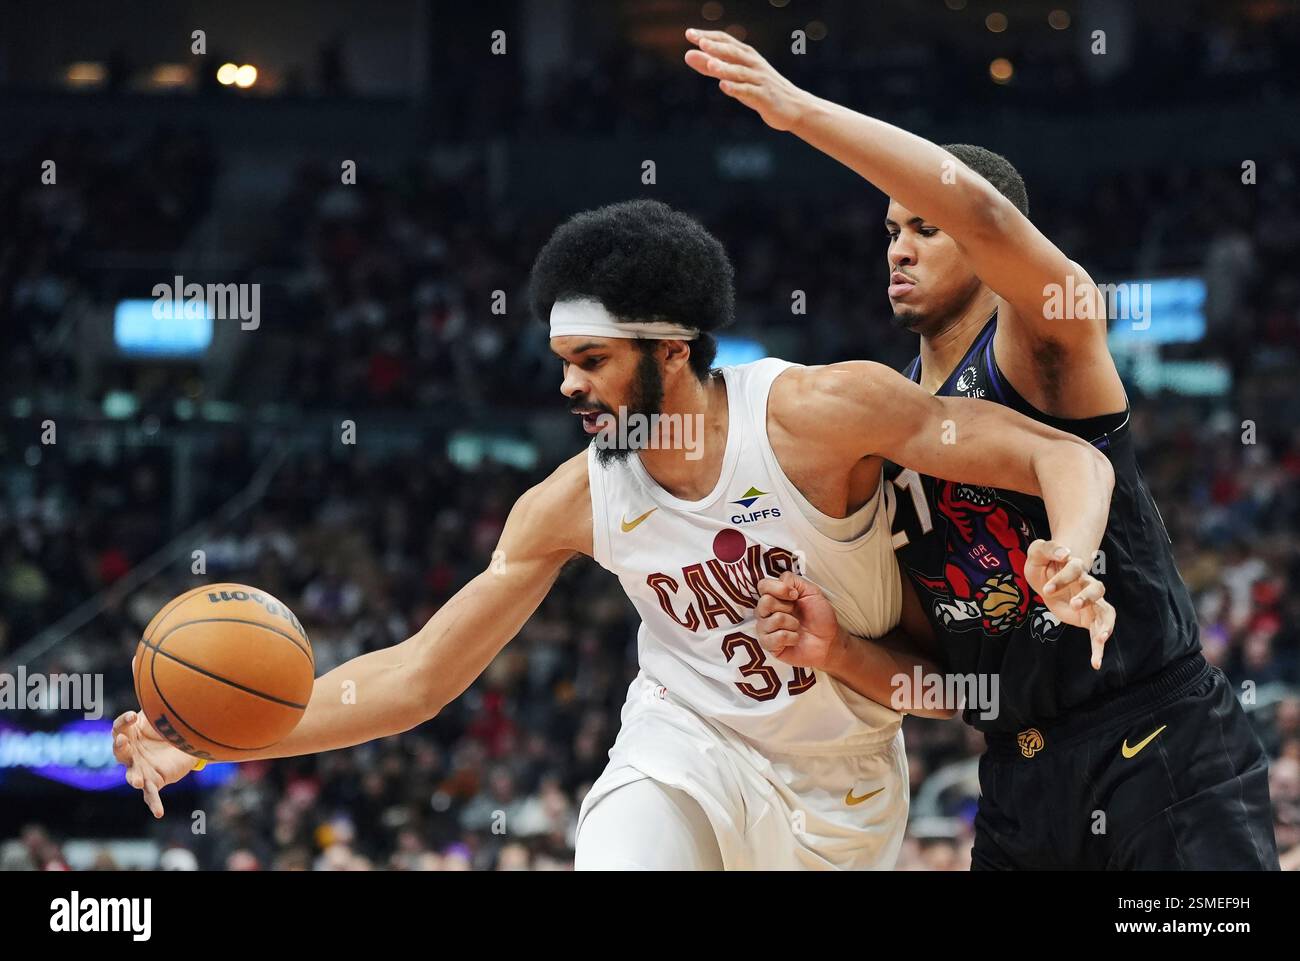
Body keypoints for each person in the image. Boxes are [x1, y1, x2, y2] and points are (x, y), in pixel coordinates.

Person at [114, 199, 1114, 870]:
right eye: (561, 359)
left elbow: (1063, 456)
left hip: (842, 796)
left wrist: (1068, 555)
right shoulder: (572, 500)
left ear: (668, 350)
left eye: (589, 359)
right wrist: (208, 740)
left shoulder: (821, 411)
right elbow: (416, 678)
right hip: (681, 752)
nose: (566, 385)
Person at [684, 27, 1281, 868]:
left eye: (925, 225)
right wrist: (837, 650)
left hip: (1155, 741)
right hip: (1017, 778)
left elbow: (989, 211)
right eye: (891, 229)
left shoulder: (1041, 349)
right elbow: (947, 685)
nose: (898, 244)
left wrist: (800, 112)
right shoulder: (883, 429)